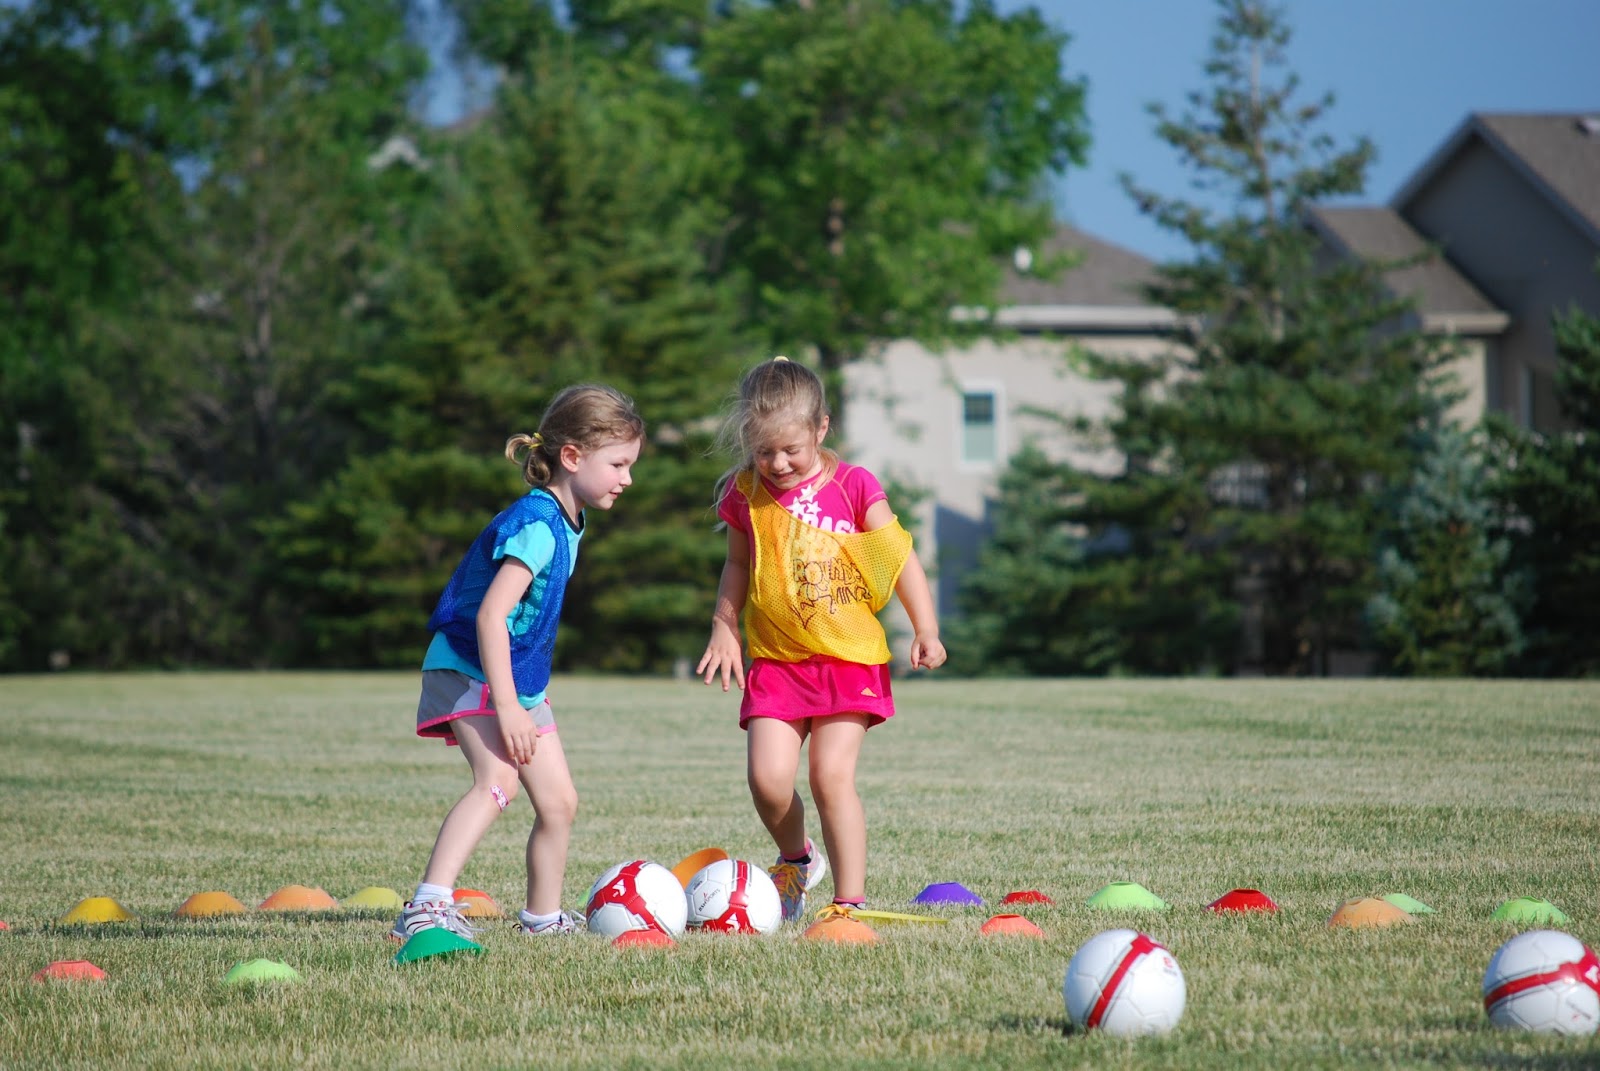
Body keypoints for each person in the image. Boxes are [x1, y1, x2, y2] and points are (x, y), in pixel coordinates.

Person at [696, 357, 945, 923]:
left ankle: (847, 905)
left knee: (831, 777)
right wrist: (723, 624)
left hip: (847, 659)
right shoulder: (746, 493)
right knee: (767, 780)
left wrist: (926, 628)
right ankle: (796, 859)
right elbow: (738, 564)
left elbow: (898, 559)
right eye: (764, 452)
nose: (777, 464)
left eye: (791, 450)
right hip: (777, 662)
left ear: (821, 429)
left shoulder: (854, 486)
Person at [392, 384, 644, 942]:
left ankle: (542, 918)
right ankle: (428, 904)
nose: (627, 478)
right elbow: (490, 617)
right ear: (573, 457)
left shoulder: (571, 519)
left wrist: (518, 697)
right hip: (471, 667)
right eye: (619, 464)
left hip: (516, 679)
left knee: (559, 801)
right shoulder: (537, 523)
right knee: (498, 780)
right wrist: (507, 708)